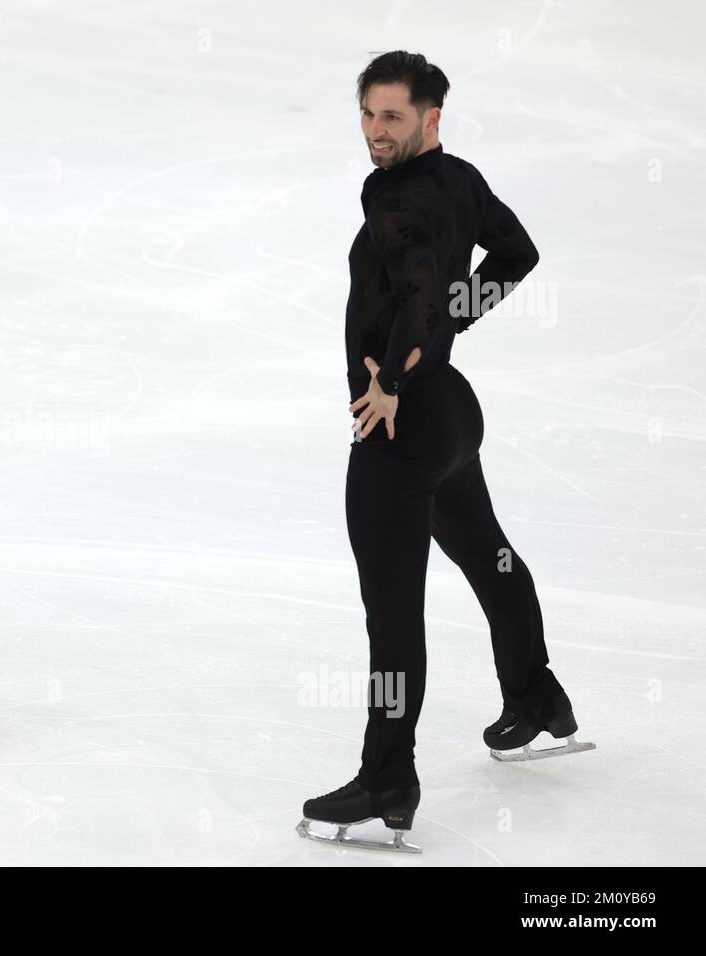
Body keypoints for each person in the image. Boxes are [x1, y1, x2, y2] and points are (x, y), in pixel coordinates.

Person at [297, 52, 592, 852]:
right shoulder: (458, 179)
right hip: (452, 417)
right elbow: (515, 254)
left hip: (400, 433)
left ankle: (387, 778)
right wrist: (454, 325)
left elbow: (422, 292)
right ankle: (536, 696)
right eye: (367, 113)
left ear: (431, 118)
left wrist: (393, 376)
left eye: (392, 116)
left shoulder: (397, 198)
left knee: (392, 617)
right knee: (491, 557)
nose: (375, 131)